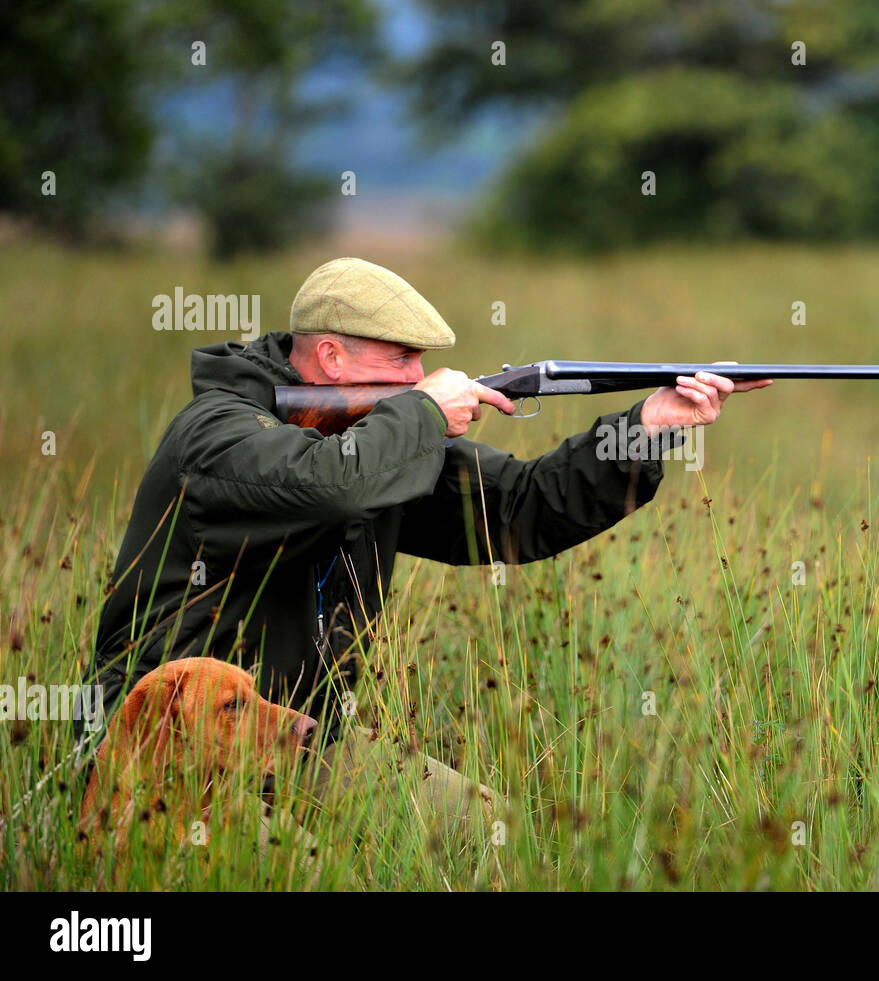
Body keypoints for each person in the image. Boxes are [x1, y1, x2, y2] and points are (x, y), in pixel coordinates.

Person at [82, 256, 770, 824]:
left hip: (301, 742)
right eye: (405, 358)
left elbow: (525, 507)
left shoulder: (377, 443)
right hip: (162, 754)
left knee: (495, 833)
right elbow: (330, 485)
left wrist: (647, 425)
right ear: (330, 355)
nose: (420, 377)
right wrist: (421, 417)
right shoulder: (219, 433)